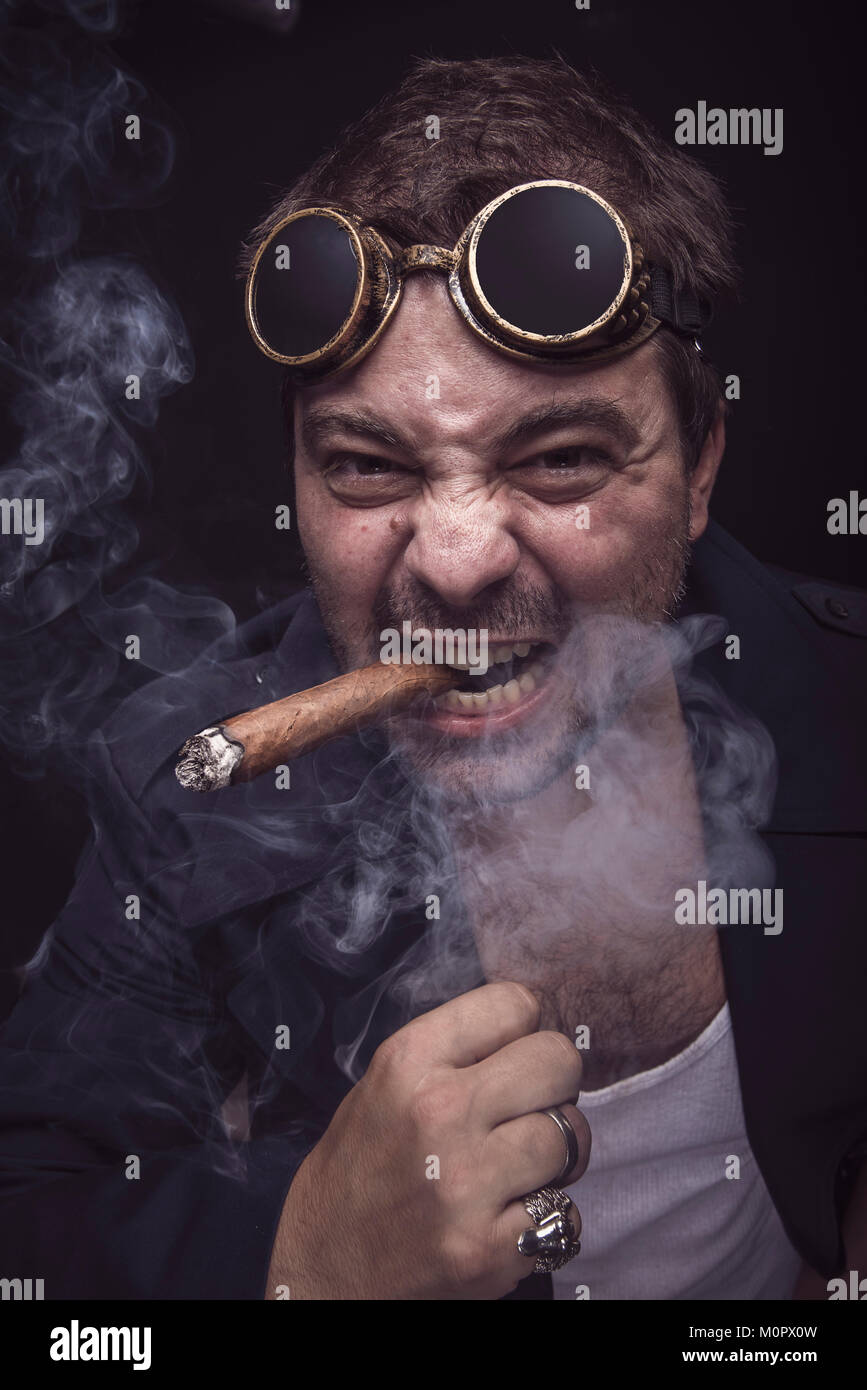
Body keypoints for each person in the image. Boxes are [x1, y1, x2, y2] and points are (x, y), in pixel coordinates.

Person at [1, 55, 865, 1302]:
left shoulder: (850, 698)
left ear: (700, 468)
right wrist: (296, 1261)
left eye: (561, 458)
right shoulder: (183, 788)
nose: (454, 562)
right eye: (367, 466)